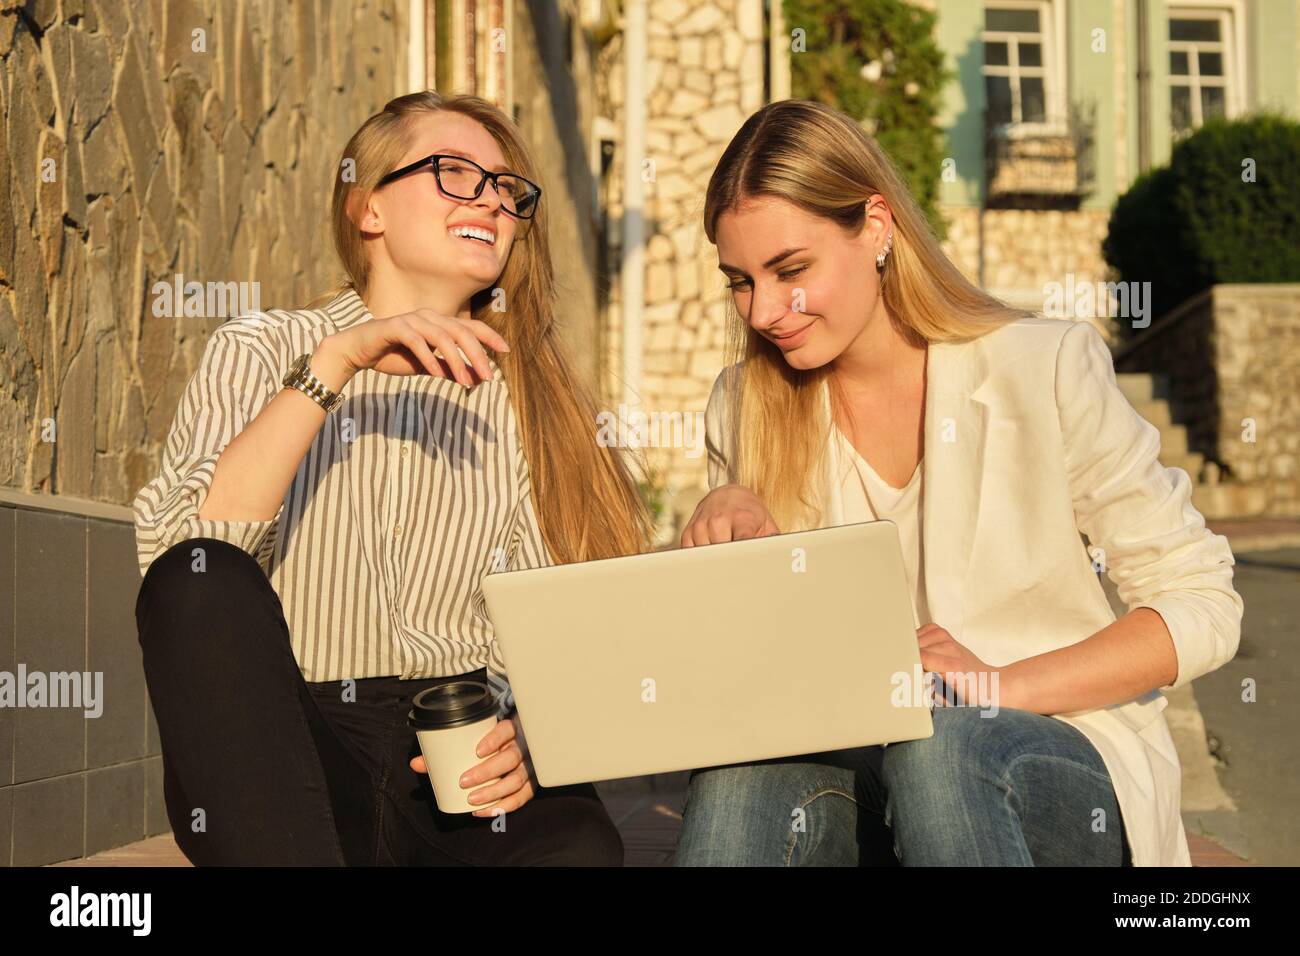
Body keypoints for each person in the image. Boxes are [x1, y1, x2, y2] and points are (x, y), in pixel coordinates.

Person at [672, 99, 1243, 867]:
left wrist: (999, 685)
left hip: (1048, 760)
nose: (766, 311)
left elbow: (1202, 603)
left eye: (791, 270)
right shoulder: (744, 406)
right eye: (740, 282)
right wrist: (724, 539)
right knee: (740, 780)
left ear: (876, 226)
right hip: (860, 767)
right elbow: (750, 679)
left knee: (943, 747)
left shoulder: (1042, 367)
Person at [132, 91, 651, 866]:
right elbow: (186, 563)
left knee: (580, 848)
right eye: (455, 174)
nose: (492, 203)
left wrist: (525, 742)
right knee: (195, 583)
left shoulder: (528, 402)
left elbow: (557, 636)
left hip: (458, 751)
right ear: (368, 208)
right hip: (296, 754)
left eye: (507, 190)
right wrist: (334, 365)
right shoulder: (264, 348)